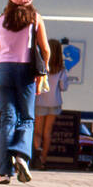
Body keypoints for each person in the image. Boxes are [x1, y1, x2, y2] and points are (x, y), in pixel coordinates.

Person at [0, 0, 51, 184]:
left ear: (10, 0)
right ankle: (21, 154)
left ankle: (3, 172)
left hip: (3, 70)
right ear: (31, 1)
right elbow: (46, 50)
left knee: (6, 119)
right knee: (27, 117)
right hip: (25, 70)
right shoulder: (35, 20)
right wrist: (43, 71)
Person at [33, 40, 71, 168]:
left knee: (37, 131)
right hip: (54, 103)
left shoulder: (42, 66)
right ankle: (43, 159)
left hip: (40, 102)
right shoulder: (61, 70)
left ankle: (36, 156)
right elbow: (63, 87)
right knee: (47, 132)